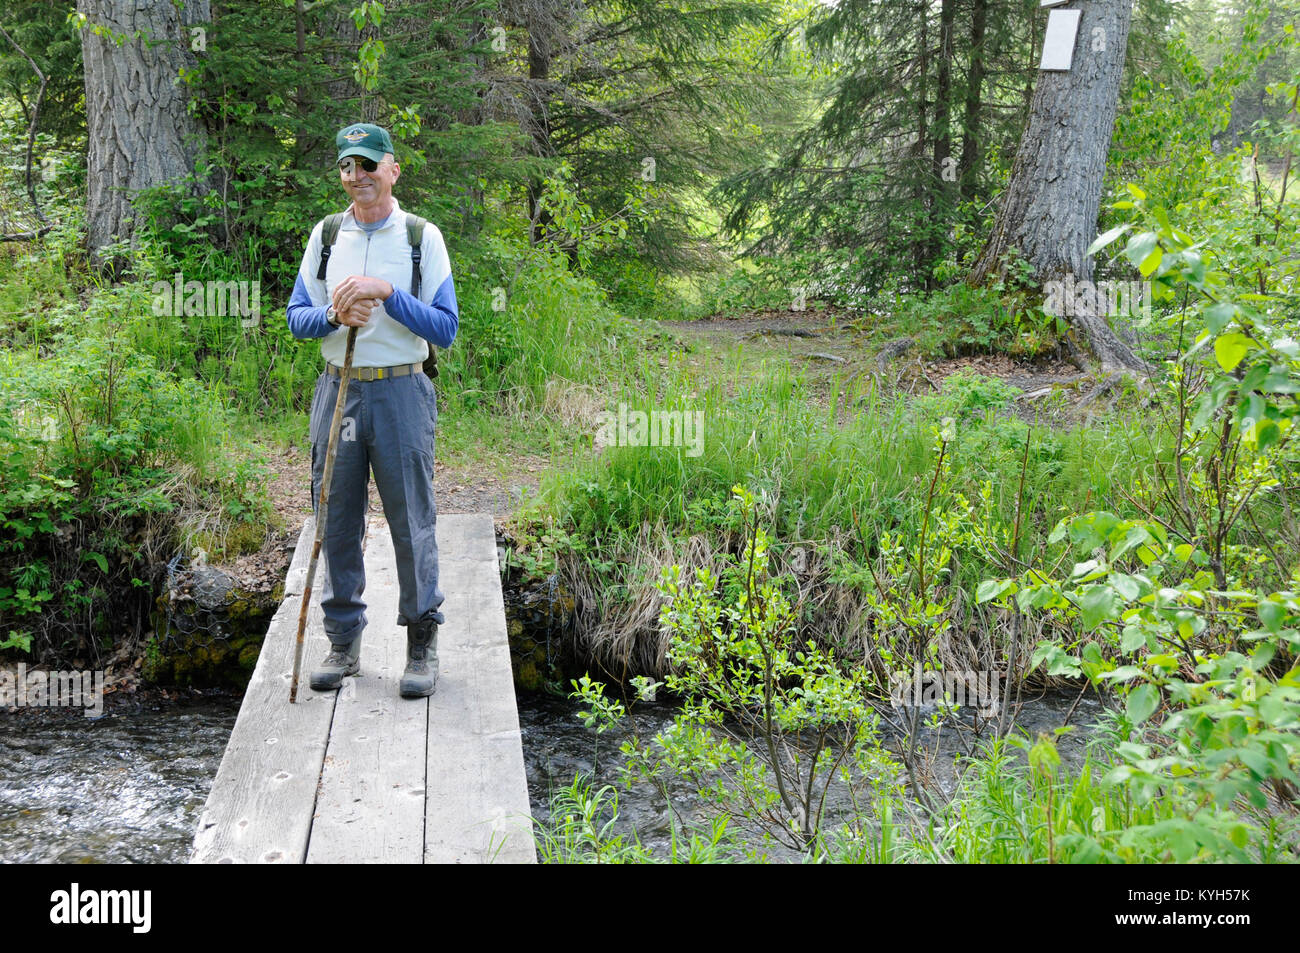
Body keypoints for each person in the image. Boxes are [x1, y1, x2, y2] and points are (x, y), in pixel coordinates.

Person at [285, 122, 458, 698]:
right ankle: (343, 641)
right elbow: (295, 318)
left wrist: (387, 293)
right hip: (338, 389)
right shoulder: (326, 234)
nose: (355, 177)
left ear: (392, 168)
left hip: (402, 392)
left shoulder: (419, 237)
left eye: (366, 164)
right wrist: (334, 317)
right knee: (335, 516)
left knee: (411, 520)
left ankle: (421, 643)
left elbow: (446, 328)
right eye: (345, 167)